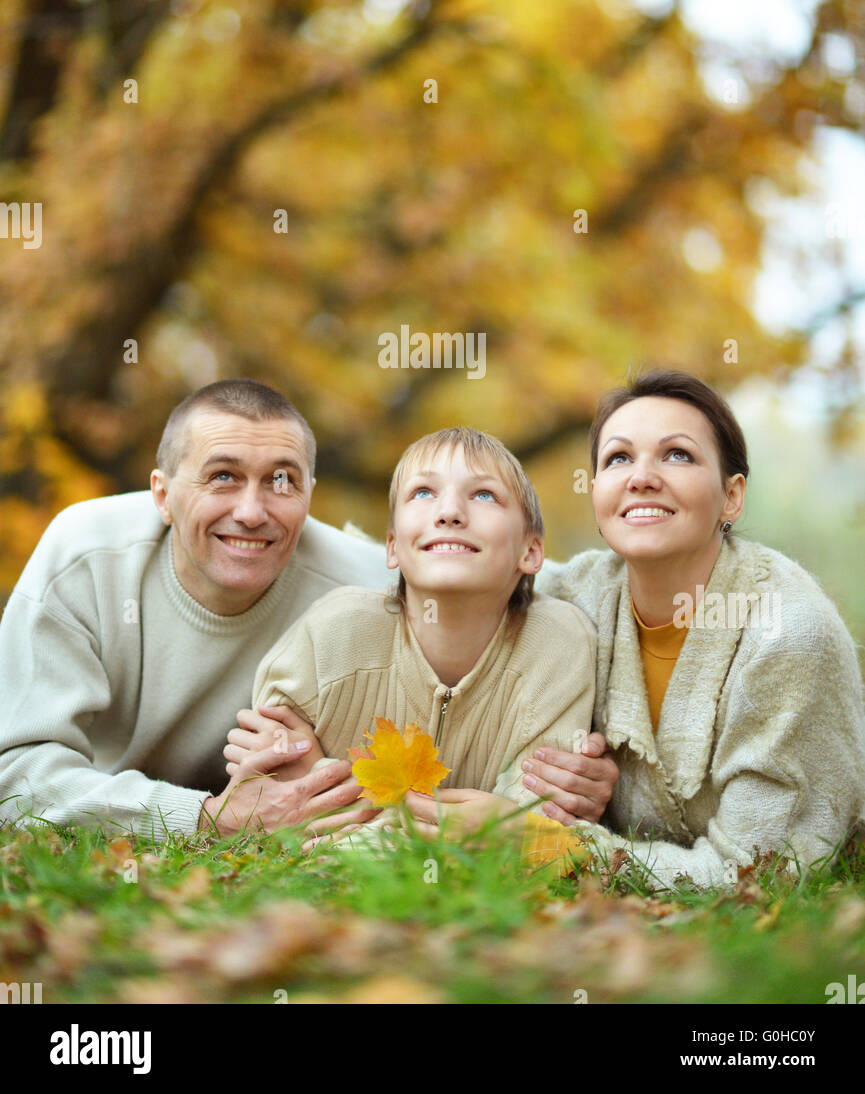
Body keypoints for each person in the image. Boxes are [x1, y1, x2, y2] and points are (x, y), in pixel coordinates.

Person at [420, 370, 865, 890]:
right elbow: (433, 592)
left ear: (731, 497)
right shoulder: (573, 595)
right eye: (618, 458)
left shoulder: (787, 635)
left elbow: (758, 875)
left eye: (678, 454)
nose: (641, 477)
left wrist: (544, 843)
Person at [0, 379, 391, 839]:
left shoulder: (369, 592)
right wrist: (208, 818)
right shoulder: (85, 556)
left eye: (281, 481)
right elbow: (14, 773)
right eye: (223, 476)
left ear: (309, 496)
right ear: (163, 495)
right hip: (105, 792)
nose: (250, 512)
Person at [226, 427, 597, 846]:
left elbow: (531, 823)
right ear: (392, 547)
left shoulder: (557, 645)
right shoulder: (334, 634)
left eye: (485, 495)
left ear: (530, 551)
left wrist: (349, 812)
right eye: (423, 493)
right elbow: (276, 792)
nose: (450, 512)